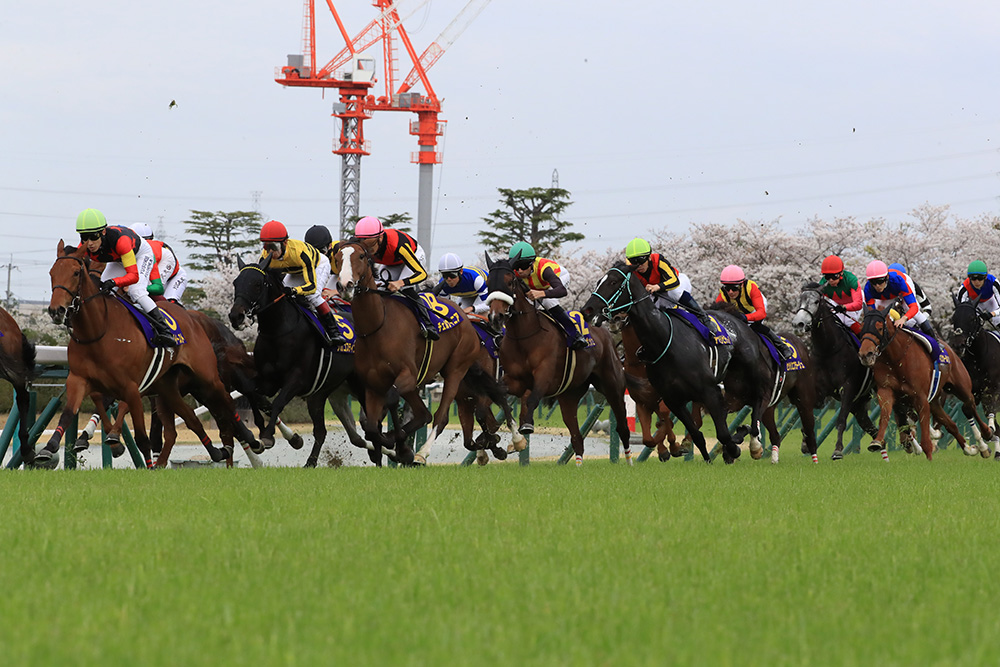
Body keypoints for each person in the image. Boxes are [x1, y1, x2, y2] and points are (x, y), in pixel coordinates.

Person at [75, 208, 177, 347]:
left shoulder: (121, 241)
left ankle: (165, 330)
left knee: (136, 291)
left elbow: (133, 276)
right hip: (119, 259)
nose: (90, 243)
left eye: (93, 236)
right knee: (103, 290)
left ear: (103, 232)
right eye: (84, 237)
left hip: (140, 255)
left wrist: (114, 281)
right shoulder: (84, 246)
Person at [258, 220, 347, 346]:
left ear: (284, 243)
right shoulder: (265, 256)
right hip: (296, 269)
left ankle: (334, 332)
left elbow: (310, 287)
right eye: (267, 246)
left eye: (274, 247)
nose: (271, 252)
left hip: (318, 265)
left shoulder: (300, 253)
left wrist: (295, 290)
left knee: (313, 295)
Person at [352, 216, 439, 340]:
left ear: (380, 238)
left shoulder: (399, 245)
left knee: (405, 289)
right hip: (391, 262)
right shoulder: (362, 245)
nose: (369, 250)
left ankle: (428, 325)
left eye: (370, 245)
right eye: (363, 243)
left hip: (412, 256)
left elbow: (422, 274)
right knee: (378, 288)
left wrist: (401, 282)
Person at [508, 241, 587, 351]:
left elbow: (562, 291)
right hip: (537, 284)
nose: (520, 270)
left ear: (531, 263)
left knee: (548, 302)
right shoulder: (514, 272)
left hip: (559, 279)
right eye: (516, 266)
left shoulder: (544, 269)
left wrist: (541, 293)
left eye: (523, 266)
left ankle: (575, 335)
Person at [624, 237, 712, 328]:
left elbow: (674, 281)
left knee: (674, 292)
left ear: (649, 257)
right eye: (634, 262)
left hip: (678, 283)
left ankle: (702, 316)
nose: (639, 266)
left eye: (641, 260)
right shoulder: (631, 271)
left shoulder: (658, 261)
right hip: (658, 294)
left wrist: (657, 286)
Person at [715, 264, 791, 359]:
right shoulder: (723, 294)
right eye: (727, 288)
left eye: (734, 288)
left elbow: (761, 313)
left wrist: (746, 318)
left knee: (755, 326)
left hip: (755, 309)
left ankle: (782, 346)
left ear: (742, 284)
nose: (730, 292)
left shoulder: (751, 288)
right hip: (739, 311)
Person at [862, 260, 935, 337]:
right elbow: (872, 313)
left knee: (914, 313)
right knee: (878, 313)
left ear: (887, 277)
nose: (877, 286)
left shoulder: (899, 281)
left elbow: (914, 307)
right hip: (888, 295)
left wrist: (903, 319)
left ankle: (935, 341)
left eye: (880, 281)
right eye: (873, 282)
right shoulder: (868, 289)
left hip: (900, 290)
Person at [130, 223, 188, 304]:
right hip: (160, 270)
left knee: (169, 302)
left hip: (175, 278)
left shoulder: (149, 250)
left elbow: (157, 289)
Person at [817, 255, 863, 333]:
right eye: (827, 277)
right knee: (834, 322)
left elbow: (858, 304)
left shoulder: (851, 279)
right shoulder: (823, 283)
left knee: (848, 321)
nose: (831, 280)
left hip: (853, 300)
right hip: (837, 303)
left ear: (841, 273)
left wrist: (844, 307)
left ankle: (862, 341)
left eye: (834, 276)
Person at [303, 224, 343, 301]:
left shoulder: (339, 253)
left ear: (330, 246)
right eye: (313, 252)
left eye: (321, 251)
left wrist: (336, 291)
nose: (318, 256)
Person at [957, 260, 1000, 328]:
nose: (977, 282)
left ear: (985, 277)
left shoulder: (994, 283)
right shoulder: (963, 289)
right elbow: (961, 311)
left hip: (991, 302)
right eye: (973, 278)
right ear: (969, 278)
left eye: (980, 278)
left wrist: (992, 314)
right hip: (975, 305)